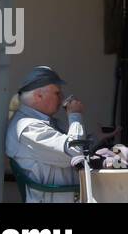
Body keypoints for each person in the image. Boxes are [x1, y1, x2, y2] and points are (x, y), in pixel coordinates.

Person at [5, 66, 87, 203]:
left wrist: (98, 140)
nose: (62, 98)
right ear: (38, 96)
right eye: (57, 93)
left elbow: (79, 150)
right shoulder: (28, 127)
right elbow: (75, 153)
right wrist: (75, 116)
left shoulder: (47, 122)